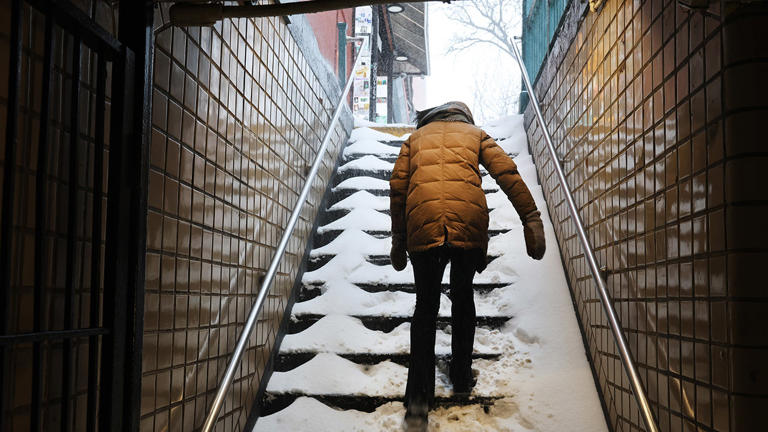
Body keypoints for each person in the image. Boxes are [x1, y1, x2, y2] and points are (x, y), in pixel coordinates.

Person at [389, 101, 546, 431]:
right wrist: (530, 218)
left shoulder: (414, 140)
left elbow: (398, 188)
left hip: (424, 222)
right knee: (463, 298)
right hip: (468, 224)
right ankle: (461, 376)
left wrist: (399, 240)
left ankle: (418, 400)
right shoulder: (475, 135)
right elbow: (508, 173)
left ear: (431, 118)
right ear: (463, 116)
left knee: (426, 308)